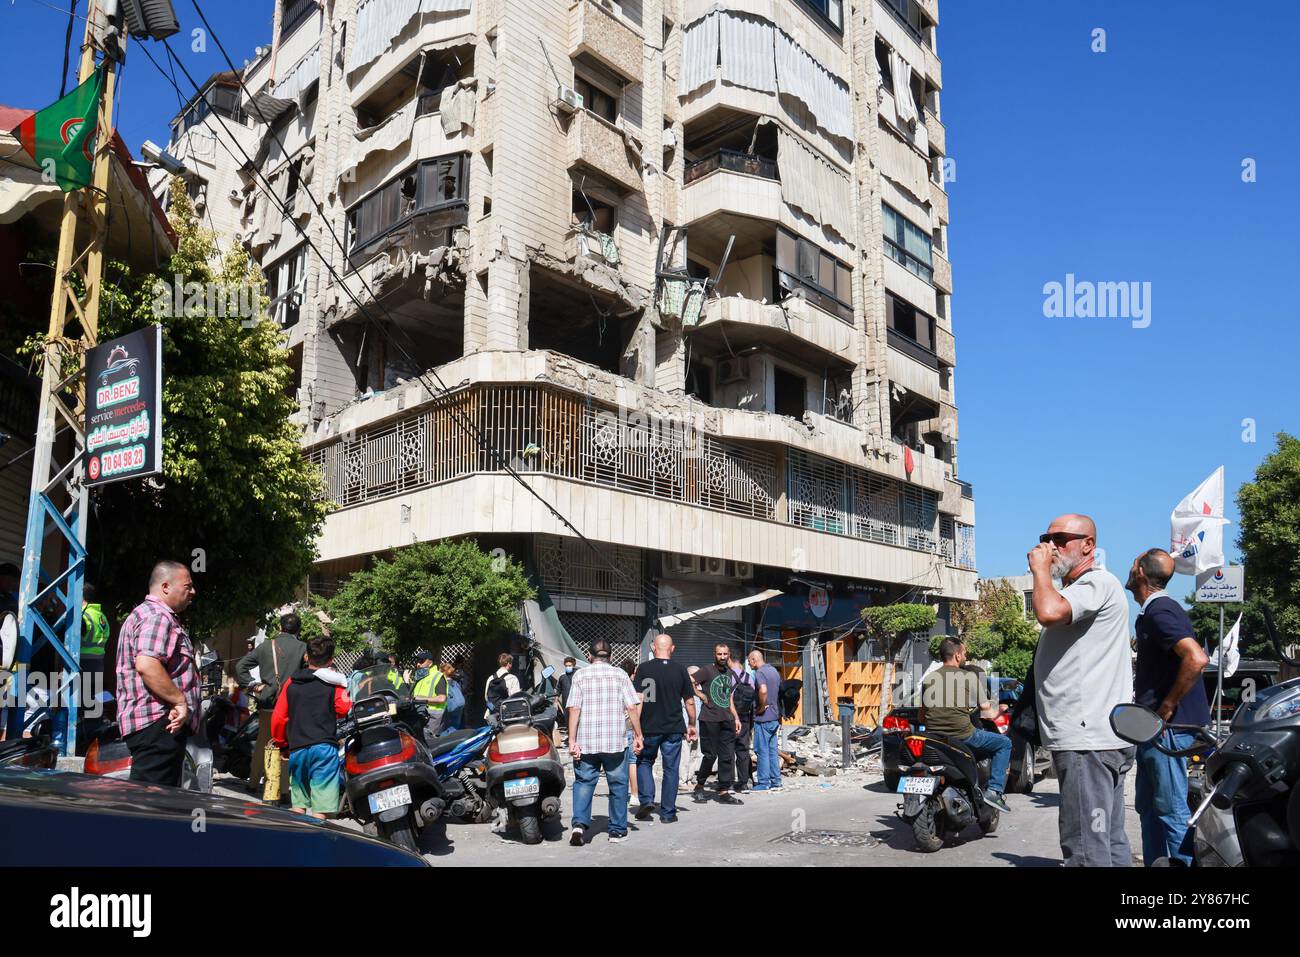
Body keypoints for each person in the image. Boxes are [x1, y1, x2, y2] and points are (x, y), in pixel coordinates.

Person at [1029, 514, 1135, 867]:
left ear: (1088, 545)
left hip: (1086, 741)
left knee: (1086, 850)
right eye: (1047, 538)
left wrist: (1040, 571)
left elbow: (1047, 610)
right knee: (1107, 841)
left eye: (1061, 539)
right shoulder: (1084, 589)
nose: (1051, 546)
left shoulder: (1097, 583)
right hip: (1094, 739)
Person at [1127, 548, 1211, 866]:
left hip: (1168, 732)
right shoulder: (1153, 612)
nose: (1130, 566)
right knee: (1149, 809)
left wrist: (1168, 704)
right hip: (1156, 731)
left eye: (1133, 563)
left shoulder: (1160, 610)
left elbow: (1196, 658)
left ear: (1140, 573)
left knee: (1171, 810)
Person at [113, 561, 200, 787]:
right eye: (188, 586)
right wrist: (180, 701)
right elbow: (147, 664)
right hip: (158, 724)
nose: (193, 592)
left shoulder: (143, 614)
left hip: (155, 725)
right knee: (152, 806)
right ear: (165, 587)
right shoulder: (158, 616)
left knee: (152, 803)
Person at [920, 638, 1013, 813]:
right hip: (964, 736)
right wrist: (1001, 708)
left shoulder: (928, 679)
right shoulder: (969, 677)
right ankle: (994, 791)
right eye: (964, 653)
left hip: (933, 738)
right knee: (1004, 743)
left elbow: (921, 716)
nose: (965, 656)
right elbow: (988, 712)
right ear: (957, 655)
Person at [566, 638, 643, 845]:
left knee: (584, 782)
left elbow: (574, 708)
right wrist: (638, 735)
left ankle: (579, 825)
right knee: (618, 785)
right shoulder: (620, 675)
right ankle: (617, 831)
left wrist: (572, 740)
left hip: (587, 741)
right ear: (611, 656)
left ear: (589, 656)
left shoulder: (580, 675)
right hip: (614, 742)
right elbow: (632, 708)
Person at [270, 636, 352, 819]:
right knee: (320, 810)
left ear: (306, 657)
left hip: (297, 748)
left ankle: (296, 840)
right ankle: (314, 842)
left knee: (298, 805)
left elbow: (278, 718)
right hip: (324, 748)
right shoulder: (334, 683)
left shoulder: (291, 683)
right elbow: (344, 708)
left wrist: (282, 744)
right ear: (331, 660)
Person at [236, 613, 308, 804]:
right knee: (285, 747)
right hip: (291, 706)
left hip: (268, 703)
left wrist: (254, 685)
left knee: (263, 744)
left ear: (280, 626)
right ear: (299, 630)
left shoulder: (267, 645)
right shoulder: (303, 648)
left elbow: (241, 666)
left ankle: (253, 783)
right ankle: (284, 790)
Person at [632, 634, 696, 823]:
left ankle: (647, 800)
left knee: (644, 762)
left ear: (653, 648)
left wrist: (637, 731)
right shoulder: (680, 670)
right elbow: (690, 702)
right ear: (672, 648)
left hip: (649, 726)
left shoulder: (643, 669)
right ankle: (668, 813)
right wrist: (692, 724)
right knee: (671, 769)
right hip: (673, 728)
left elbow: (639, 700)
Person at [694, 643, 743, 805]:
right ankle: (700, 786)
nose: (722, 657)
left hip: (726, 719)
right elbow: (689, 681)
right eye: (719, 654)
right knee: (710, 755)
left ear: (729, 655)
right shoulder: (707, 670)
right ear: (714, 655)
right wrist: (701, 695)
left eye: (725, 654)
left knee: (727, 756)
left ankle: (723, 791)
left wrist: (736, 717)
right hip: (709, 719)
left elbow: (728, 697)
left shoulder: (729, 673)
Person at [748, 650, 784, 792]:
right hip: (774, 716)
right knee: (772, 750)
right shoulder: (774, 671)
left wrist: (761, 708)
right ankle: (776, 781)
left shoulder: (760, 673)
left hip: (764, 718)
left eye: (749, 661)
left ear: (754, 659)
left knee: (761, 750)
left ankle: (763, 782)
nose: (749, 664)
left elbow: (763, 690)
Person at [728, 654, 756, 792]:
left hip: (731, 718)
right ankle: (744, 782)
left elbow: (726, 699)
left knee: (729, 749)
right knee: (743, 749)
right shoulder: (749, 678)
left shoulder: (728, 677)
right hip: (745, 718)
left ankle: (729, 782)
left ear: (731, 660)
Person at [411, 650, 450, 740]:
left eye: (421, 661)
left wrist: (421, 699)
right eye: (417, 661)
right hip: (420, 716)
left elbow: (442, 698)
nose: (418, 664)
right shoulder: (420, 676)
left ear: (430, 663)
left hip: (432, 719)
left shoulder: (437, 676)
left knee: (431, 745)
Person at [79, 584, 110, 677]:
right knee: (93, 691)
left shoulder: (83, 616)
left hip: (82, 664)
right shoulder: (102, 616)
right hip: (99, 665)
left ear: (81, 596)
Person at [483, 652, 520, 719]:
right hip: (506, 716)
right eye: (511, 663)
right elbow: (515, 699)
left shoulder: (490, 678)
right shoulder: (512, 678)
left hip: (491, 716)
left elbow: (486, 697)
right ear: (509, 664)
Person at [438, 663, 466, 733]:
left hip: (449, 708)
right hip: (459, 706)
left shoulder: (442, 683)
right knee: (455, 726)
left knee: (446, 729)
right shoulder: (455, 682)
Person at [555, 655, 577, 741]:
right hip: (566, 703)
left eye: (570, 665)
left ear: (573, 666)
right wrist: (556, 699)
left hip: (576, 703)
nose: (568, 667)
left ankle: (577, 737)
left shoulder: (577, 675)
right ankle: (570, 737)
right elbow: (558, 689)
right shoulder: (562, 676)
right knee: (568, 720)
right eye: (566, 666)